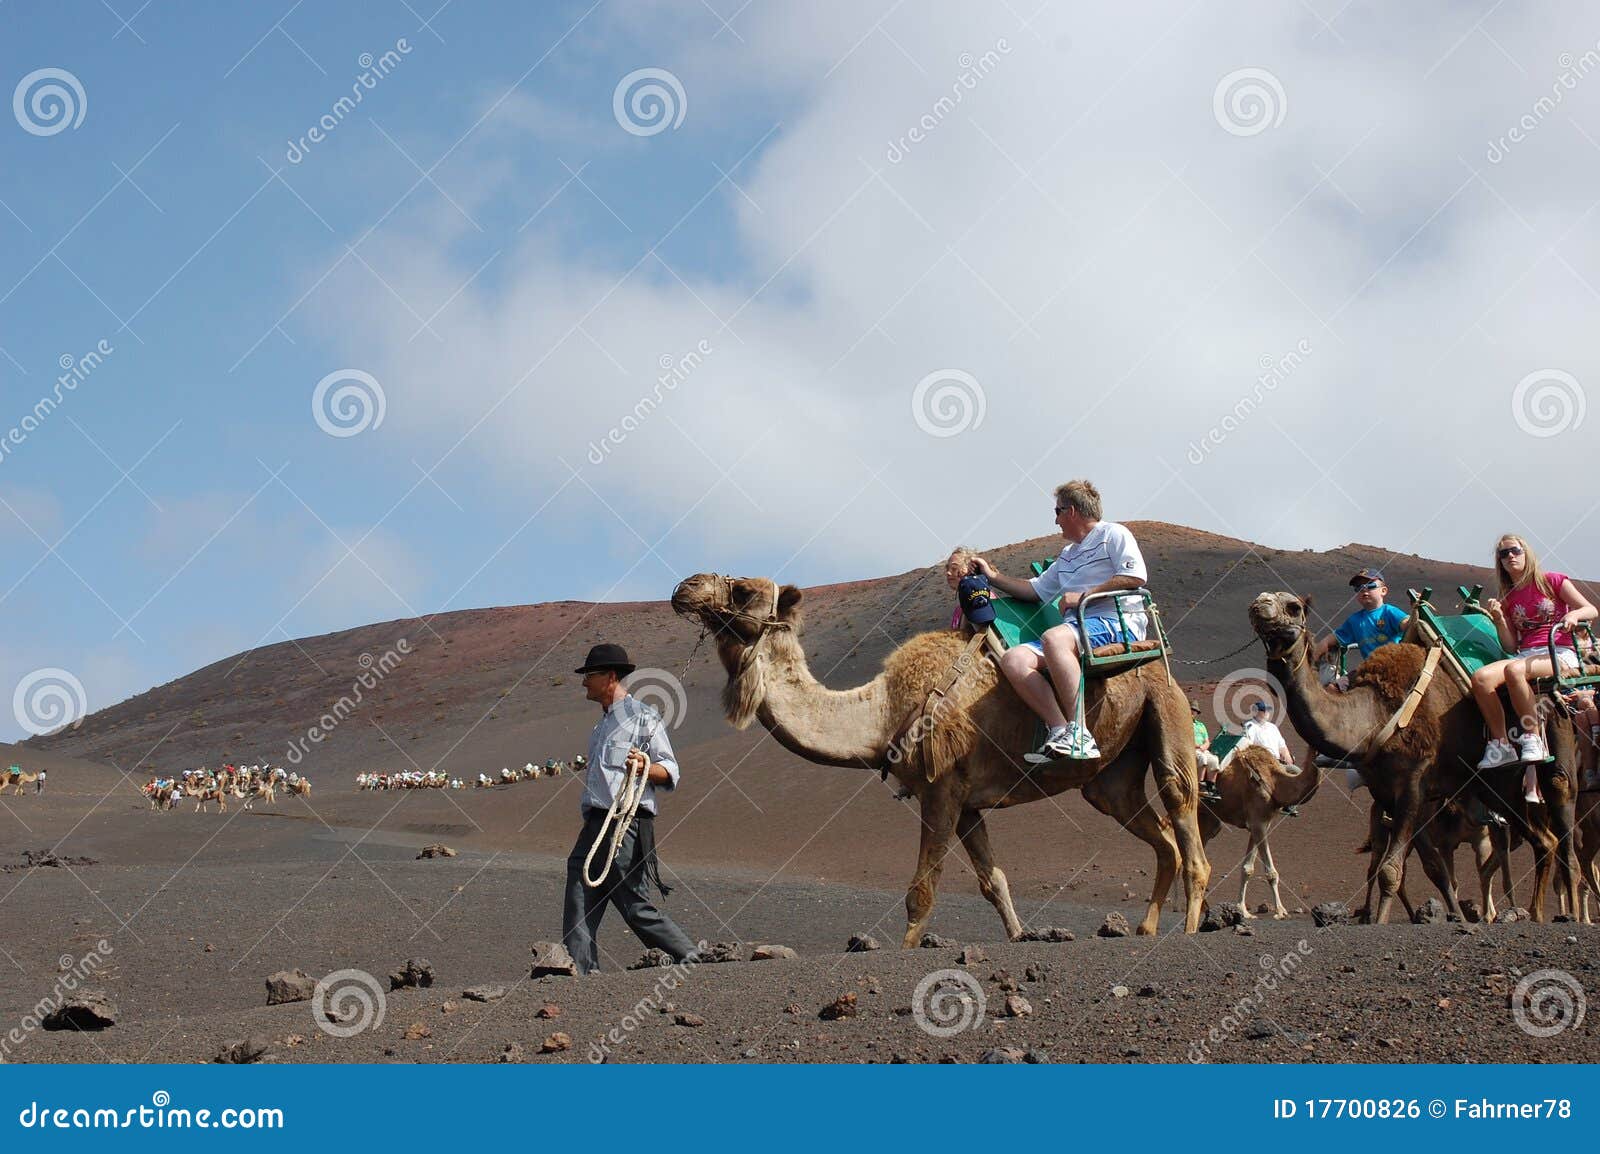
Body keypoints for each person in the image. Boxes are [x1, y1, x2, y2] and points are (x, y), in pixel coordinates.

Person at [973, 480, 1148, 762]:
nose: (1056, 521)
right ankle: (1060, 729)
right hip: (1079, 628)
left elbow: (1135, 576)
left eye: (1058, 511)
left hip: (1116, 622)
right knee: (1014, 660)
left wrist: (1084, 596)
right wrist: (993, 576)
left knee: (1054, 638)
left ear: (1073, 511)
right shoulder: (1067, 556)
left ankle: (1081, 734)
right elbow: (1034, 590)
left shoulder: (1113, 534)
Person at [563, 643, 698, 975]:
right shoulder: (599, 729)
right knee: (579, 886)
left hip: (626, 822)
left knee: (632, 902)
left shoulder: (643, 717)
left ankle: (692, 958)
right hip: (595, 823)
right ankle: (580, 970)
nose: (584, 683)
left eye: (589, 676)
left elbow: (670, 772)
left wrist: (644, 766)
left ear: (610, 677)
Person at [1470, 535, 1596, 804]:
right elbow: (1511, 643)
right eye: (1503, 554)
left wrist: (1573, 615)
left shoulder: (1552, 581)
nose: (1509, 557)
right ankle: (1501, 744)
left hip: (1559, 651)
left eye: (1514, 551)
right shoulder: (1509, 596)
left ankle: (1533, 738)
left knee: (1515, 671)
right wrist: (1499, 619)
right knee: (1480, 679)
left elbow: (1591, 609)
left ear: (1526, 552)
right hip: (1526, 654)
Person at [1313, 568, 1410, 691]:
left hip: (1393, 666)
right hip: (1368, 670)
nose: (1364, 590)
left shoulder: (1390, 612)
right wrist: (1310, 660)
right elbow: (1328, 641)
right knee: (1333, 689)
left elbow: (1409, 625)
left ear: (1383, 591)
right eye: (1358, 588)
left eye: (1370, 585)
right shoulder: (1355, 621)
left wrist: (1416, 609)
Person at [1192, 699, 1223, 803]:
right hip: (1192, 749)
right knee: (1203, 758)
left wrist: (1204, 747)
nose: (1193, 712)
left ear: (1197, 713)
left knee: (1214, 760)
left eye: (1195, 710)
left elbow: (1207, 741)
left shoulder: (1201, 725)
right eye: (1191, 709)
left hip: (1202, 749)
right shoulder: (1185, 724)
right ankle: (1200, 785)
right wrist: (1197, 746)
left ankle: (1211, 787)